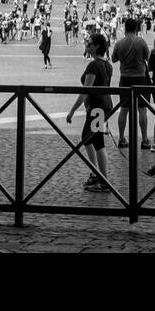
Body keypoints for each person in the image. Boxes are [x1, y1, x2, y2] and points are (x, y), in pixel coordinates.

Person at [66, 31, 115, 192]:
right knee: (90, 138)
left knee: (95, 140)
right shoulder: (107, 64)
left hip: (97, 107)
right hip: (103, 106)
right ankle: (96, 174)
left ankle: (103, 179)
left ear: (97, 47)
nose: (87, 45)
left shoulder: (94, 65)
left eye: (90, 44)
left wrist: (72, 111)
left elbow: (86, 90)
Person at [112, 16, 151, 149]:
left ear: (125, 28)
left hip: (125, 78)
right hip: (140, 78)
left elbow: (113, 59)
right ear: (136, 29)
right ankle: (145, 139)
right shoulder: (141, 42)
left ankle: (122, 138)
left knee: (124, 109)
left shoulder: (119, 43)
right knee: (142, 109)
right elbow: (148, 58)